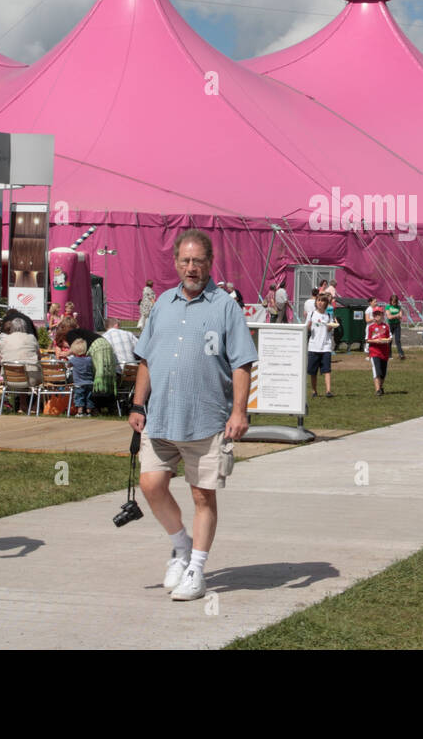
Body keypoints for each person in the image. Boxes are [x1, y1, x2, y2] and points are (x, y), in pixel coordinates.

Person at [128, 229, 257, 602]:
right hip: (161, 418)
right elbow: (147, 358)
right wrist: (138, 404)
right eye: (184, 261)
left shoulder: (226, 307)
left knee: (203, 496)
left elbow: (242, 364)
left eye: (197, 260)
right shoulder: (162, 305)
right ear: (175, 263)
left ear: (209, 263)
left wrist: (239, 411)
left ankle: (197, 570)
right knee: (151, 485)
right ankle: (180, 546)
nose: (191, 267)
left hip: (206, 420)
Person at [306, 294, 338, 398]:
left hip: (326, 346)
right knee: (313, 371)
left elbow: (330, 328)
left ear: (326, 303)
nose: (320, 302)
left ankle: (328, 391)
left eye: (322, 301)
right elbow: (307, 329)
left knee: (327, 370)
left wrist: (331, 327)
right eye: (318, 300)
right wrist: (309, 327)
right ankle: (314, 391)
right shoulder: (311, 314)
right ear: (316, 302)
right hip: (313, 346)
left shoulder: (328, 315)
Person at [0, 316, 42, 389]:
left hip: (8, 378)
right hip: (30, 379)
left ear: (12, 327)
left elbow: (1, 358)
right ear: (25, 327)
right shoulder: (31, 338)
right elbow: (39, 357)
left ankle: (20, 399)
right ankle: (36, 400)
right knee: (42, 376)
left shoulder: (4, 339)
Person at [366, 307, 391, 396]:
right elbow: (367, 339)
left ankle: (380, 387)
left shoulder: (386, 326)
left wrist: (387, 340)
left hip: (384, 352)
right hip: (374, 351)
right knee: (377, 371)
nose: (377, 316)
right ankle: (377, 390)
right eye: (375, 314)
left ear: (382, 315)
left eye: (378, 314)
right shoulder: (371, 327)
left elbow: (389, 338)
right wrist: (375, 341)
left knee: (383, 373)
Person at [68, 338, 95, 416]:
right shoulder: (89, 359)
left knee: (79, 397)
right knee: (89, 398)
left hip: (79, 383)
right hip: (89, 382)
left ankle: (80, 412)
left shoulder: (73, 360)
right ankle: (89, 412)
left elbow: (68, 366)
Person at [386, 294, 406, 359]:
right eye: (393, 302)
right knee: (390, 340)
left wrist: (394, 316)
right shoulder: (388, 307)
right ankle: (389, 355)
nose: (394, 303)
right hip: (390, 325)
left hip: (397, 325)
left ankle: (401, 354)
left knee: (398, 340)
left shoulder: (399, 307)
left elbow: (400, 316)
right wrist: (396, 315)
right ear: (390, 301)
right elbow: (389, 317)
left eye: (395, 302)